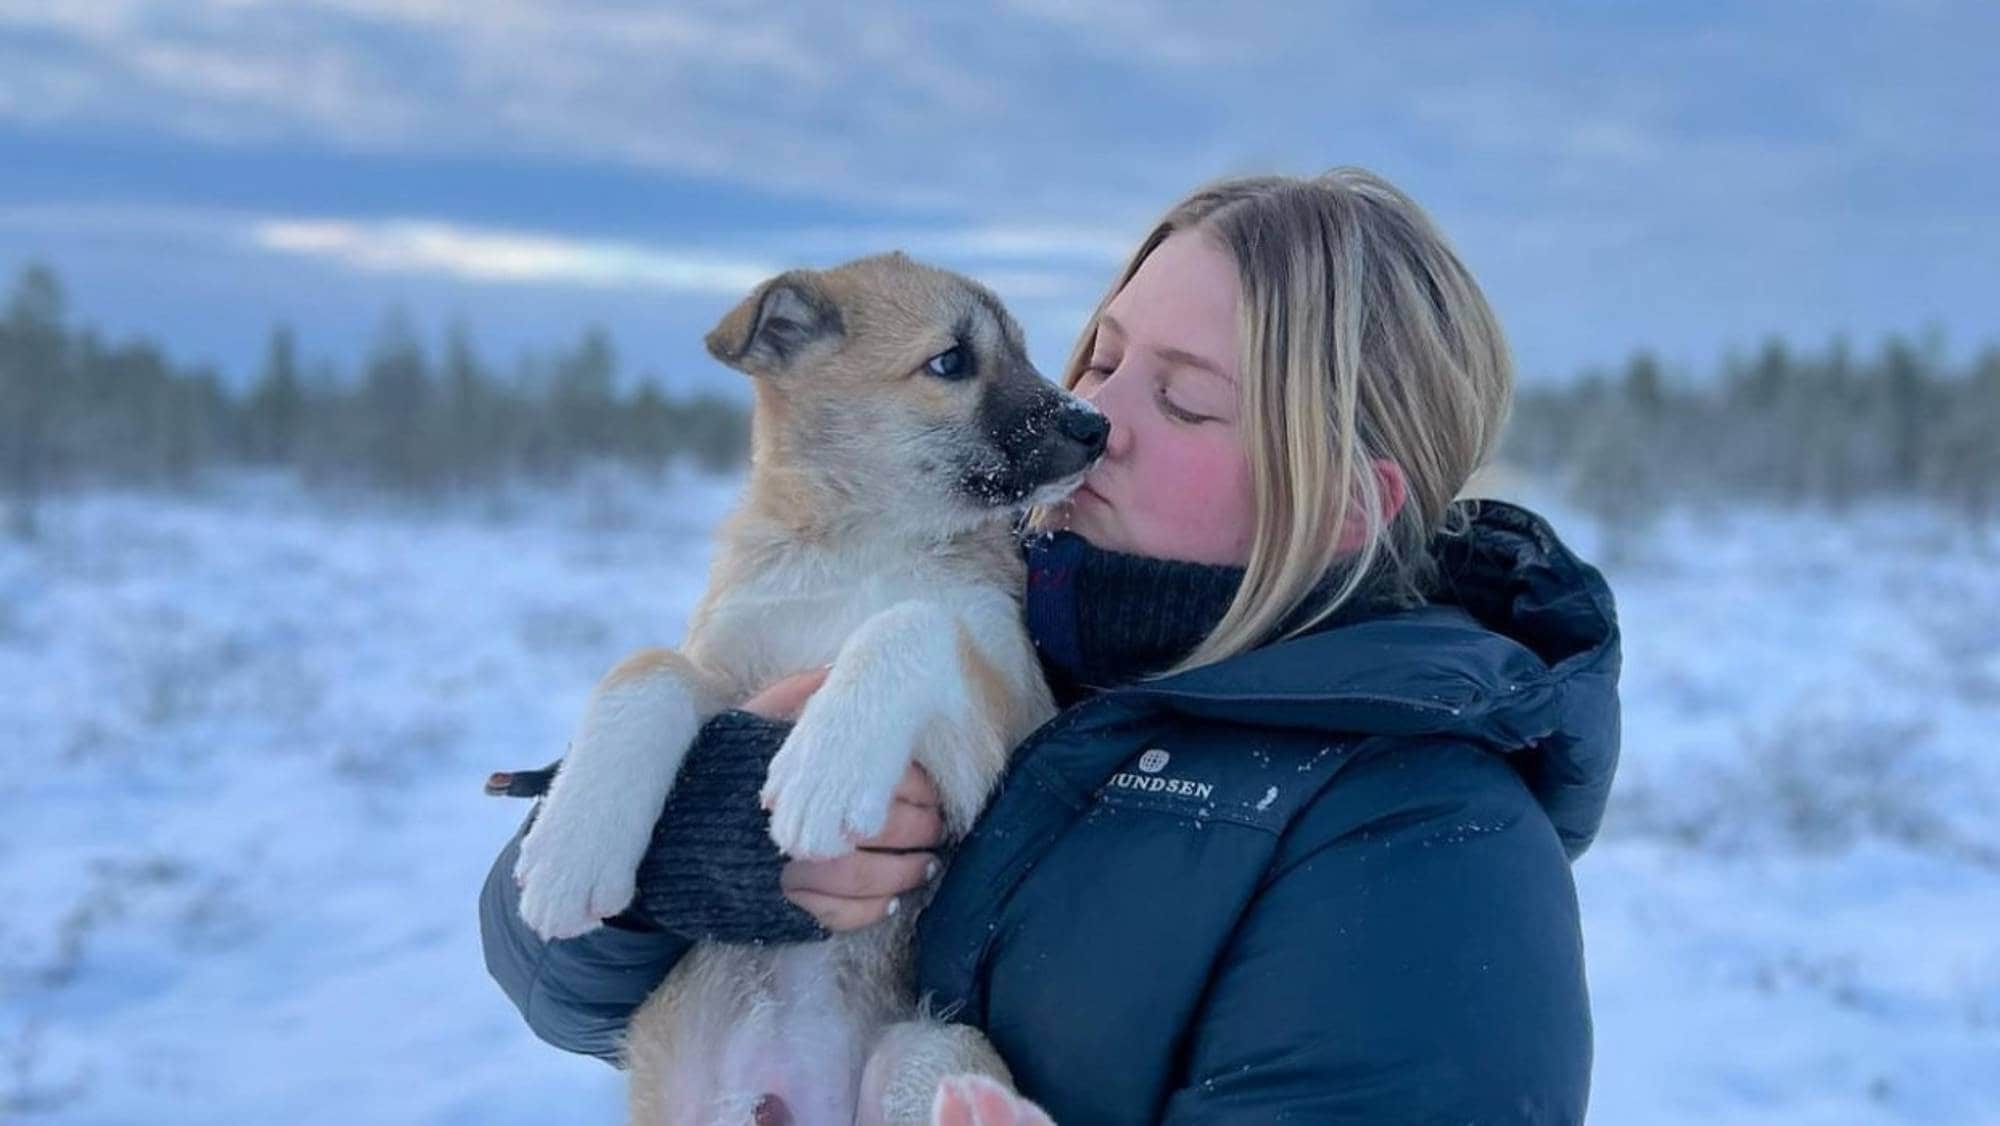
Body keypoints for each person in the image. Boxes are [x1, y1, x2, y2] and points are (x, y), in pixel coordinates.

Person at [480, 167, 1620, 1123]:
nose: (1090, 418)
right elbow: (553, 966)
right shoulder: (1031, 606)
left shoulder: (1428, 843)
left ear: (1340, 509)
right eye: (1101, 355)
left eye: (1181, 400)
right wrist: (696, 846)